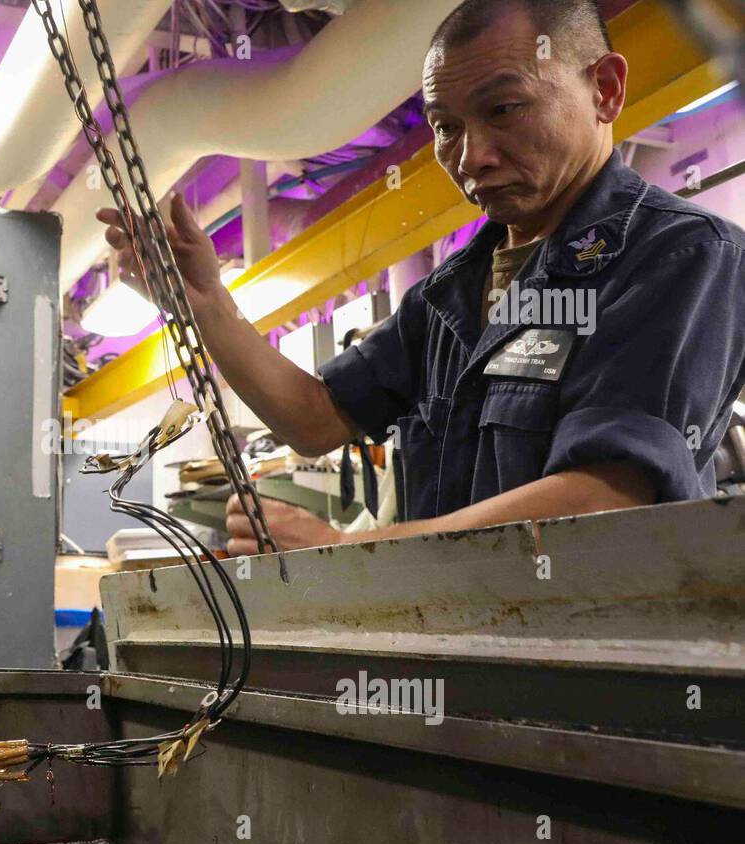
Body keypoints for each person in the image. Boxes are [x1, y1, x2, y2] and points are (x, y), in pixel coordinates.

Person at [97, 0, 745, 556]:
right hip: (457, 649)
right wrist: (205, 304)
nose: (471, 157)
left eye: (504, 108)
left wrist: (348, 555)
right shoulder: (446, 296)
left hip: (594, 656)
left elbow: (606, 501)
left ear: (604, 89)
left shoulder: (683, 256)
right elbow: (315, 420)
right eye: (446, 128)